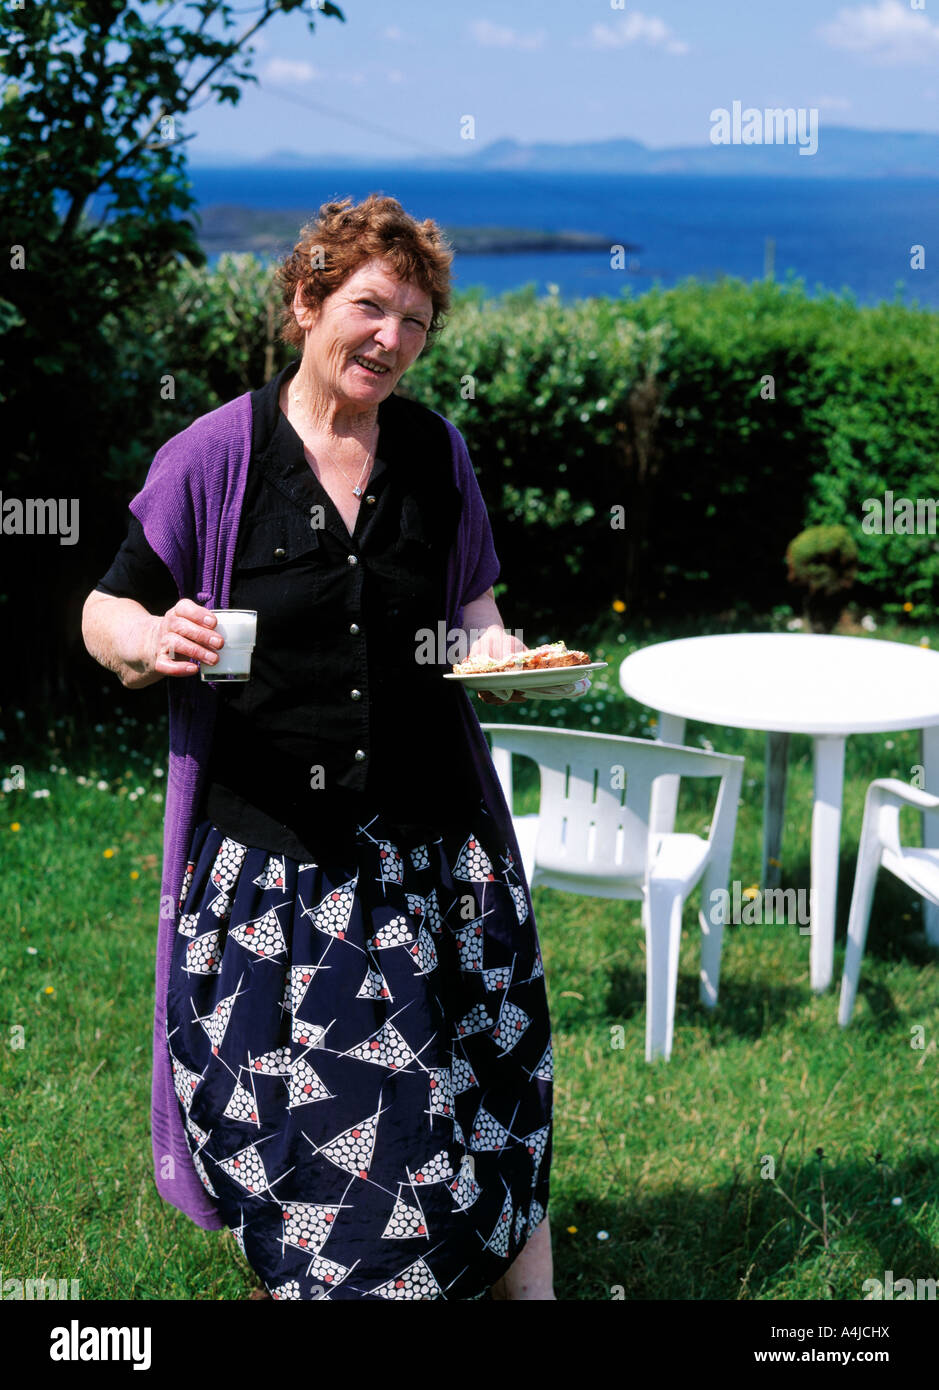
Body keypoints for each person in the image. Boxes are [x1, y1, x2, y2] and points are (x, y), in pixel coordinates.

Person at [82, 194, 589, 1302]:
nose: (393, 339)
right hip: (278, 869)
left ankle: (517, 1283)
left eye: (416, 321)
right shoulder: (217, 453)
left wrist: (505, 654)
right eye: (371, 307)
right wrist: (150, 637)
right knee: (306, 1128)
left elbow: (472, 610)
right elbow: (106, 607)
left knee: (481, 1090)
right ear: (306, 301)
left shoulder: (434, 453)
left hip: (440, 851)